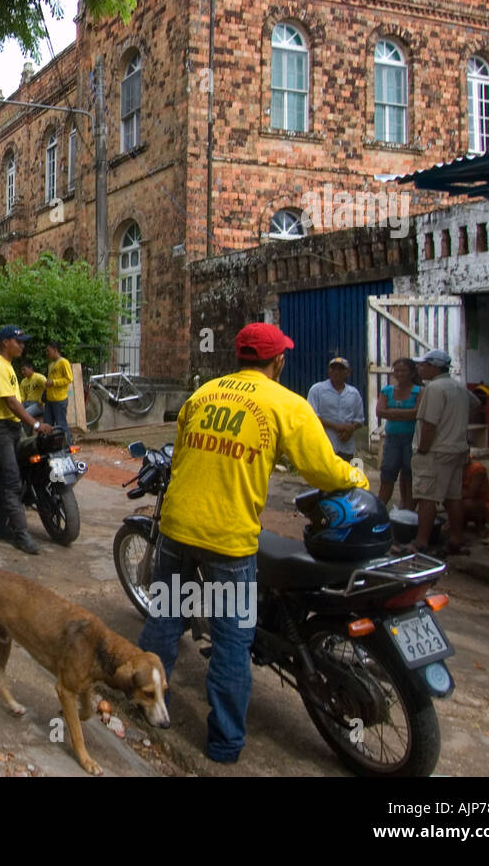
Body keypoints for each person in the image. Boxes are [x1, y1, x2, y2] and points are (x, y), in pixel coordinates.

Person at [138, 323, 368, 765]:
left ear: (239, 357)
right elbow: (323, 471)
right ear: (277, 361)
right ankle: (223, 745)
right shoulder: (287, 405)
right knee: (230, 643)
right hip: (229, 540)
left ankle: (144, 700)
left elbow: (182, 455)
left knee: (165, 617)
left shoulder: (202, 394)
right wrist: (358, 479)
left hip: (176, 527)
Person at [0, 325, 53, 555]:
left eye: (23, 342)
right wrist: (34, 424)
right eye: (18, 341)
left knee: (6, 478)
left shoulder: (8, 366)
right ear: (5, 342)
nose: (22, 345)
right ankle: (22, 535)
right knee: (12, 481)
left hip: (11, 428)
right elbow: (12, 403)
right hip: (0, 429)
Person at [410, 348, 471, 557]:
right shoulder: (459, 387)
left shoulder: (434, 388)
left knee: (427, 496)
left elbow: (429, 424)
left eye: (423, 365)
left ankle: (421, 542)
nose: (419, 368)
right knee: (453, 497)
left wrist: (423, 449)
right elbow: (477, 405)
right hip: (457, 449)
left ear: (434, 366)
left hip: (436, 452)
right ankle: (456, 539)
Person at [376, 358, 421, 510]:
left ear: (412, 372)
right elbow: (380, 411)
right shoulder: (387, 390)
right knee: (387, 474)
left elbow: (418, 413)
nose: (400, 374)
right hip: (392, 440)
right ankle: (379, 509)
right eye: (397, 371)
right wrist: (406, 413)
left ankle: (408, 511)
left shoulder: (419, 391)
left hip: (412, 440)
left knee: (409, 475)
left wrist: (392, 412)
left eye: (404, 371)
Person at [307, 357, 365, 459]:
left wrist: (350, 429)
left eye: (341, 369)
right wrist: (336, 427)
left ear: (348, 373)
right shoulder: (317, 390)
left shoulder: (353, 393)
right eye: (333, 369)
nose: (336, 372)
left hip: (346, 447)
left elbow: (359, 419)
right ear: (329, 371)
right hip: (324, 445)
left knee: (344, 474)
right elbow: (312, 417)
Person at [44, 342, 73, 440]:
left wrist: (53, 382)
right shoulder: (51, 364)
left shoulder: (63, 362)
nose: (47, 353)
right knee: (48, 425)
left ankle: (67, 447)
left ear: (55, 350)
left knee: (61, 425)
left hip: (59, 400)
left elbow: (69, 379)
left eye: (48, 351)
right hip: (49, 399)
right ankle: (50, 448)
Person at [461, 459, 489, 535]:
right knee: (447, 498)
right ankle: (461, 522)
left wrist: (453, 493)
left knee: (467, 503)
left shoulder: (477, 469)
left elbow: (471, 494)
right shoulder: (454, 466)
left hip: (485, 507)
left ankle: (480, 526)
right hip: (463, 501)